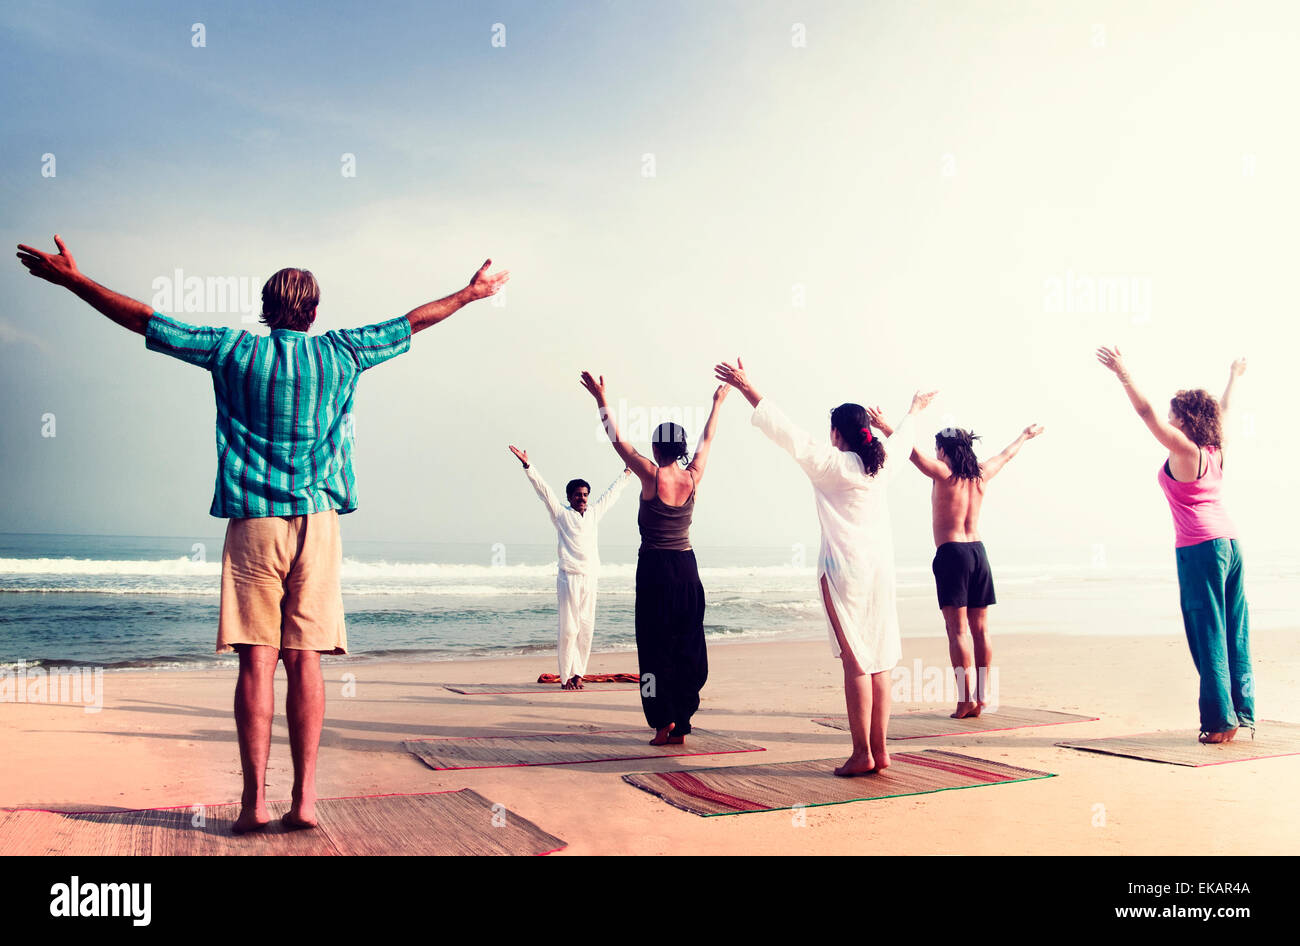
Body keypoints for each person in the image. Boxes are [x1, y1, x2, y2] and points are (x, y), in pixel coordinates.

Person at [16, 235, 508, 831]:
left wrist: (75, 282)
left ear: (265, 307)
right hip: (318, 522)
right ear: (314, 312)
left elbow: (148, 321)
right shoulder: (342, 352)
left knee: (257, 664)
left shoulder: (232, 351)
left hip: (254, 522)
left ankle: (253, 804)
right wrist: (471, 293)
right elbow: (410, 322)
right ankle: (303, 802)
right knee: (306, 662)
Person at [716, 357, 935, 776]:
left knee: (856, 662)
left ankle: (861, 754)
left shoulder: (829, 463)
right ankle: (881, 750)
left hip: (843, 572)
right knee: (881, 659)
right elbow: (904, 439)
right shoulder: (882, 462)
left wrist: (746, 386)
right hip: (881, 570)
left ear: (837, 433)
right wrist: (915, 409)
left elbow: (785, 431)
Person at [1096, 346, 1253, 743]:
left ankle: (1220, 723)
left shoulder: (1185, 450)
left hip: (1201, 547)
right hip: (1230, 545)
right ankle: (1240, 713)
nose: (1167, 419)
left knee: (1208, 631)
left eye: (1173, 415)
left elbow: (1146, 413)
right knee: (1234, 630)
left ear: (1184, 419)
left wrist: (1122, 372)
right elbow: (1226, 409)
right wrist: (1234, 375)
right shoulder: (1215, 450)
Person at [579, 371, 727, 745]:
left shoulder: (650, 475)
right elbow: (708, 438)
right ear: (680, 448)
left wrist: (601, 399)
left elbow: (618, 441)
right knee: (687, 642)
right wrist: (717, 404)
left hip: (655, 571)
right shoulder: (693, 476)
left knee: (654, 647)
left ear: (657, 448)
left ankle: (663, 723)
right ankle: (682, 717)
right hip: (687, 570)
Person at [895, 421, 1043, 718]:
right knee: (981, 629)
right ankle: (982, 696)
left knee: (958, 631)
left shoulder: (943, 473)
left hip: (952, 554)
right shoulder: (981, 474)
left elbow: (910, 453)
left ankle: (965, 701)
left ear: (942, 450)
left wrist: (888, 428)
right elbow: (1007, 454)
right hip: (978, 553)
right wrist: (1024, 436)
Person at [507, 446, 632, 689]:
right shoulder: (561, 515)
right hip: (569, 579)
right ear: (569, 497)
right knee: (568, 630)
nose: (582, 498)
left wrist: (627, 473)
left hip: (590, 578)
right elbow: (544, 492)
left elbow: (612, 494)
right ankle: (566, 678)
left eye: (585, 494)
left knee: (585, 629)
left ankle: (579, 674)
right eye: (577, 495)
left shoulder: (594, 513)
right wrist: (528, 466)